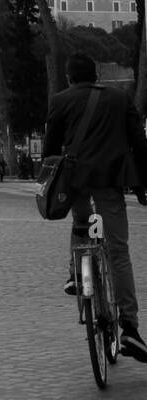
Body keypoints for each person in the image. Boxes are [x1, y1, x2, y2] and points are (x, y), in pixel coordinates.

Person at [43, 53, 147, 360]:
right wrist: (143, 186)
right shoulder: (118, 98)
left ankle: (76, 274)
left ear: (70, 78)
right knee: (118, 252)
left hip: (76, 182)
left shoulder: (60, 101)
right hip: (111, 181)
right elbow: (138, 144)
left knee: (83, 224)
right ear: (97, 76)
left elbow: (49, 151)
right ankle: (130, 329)